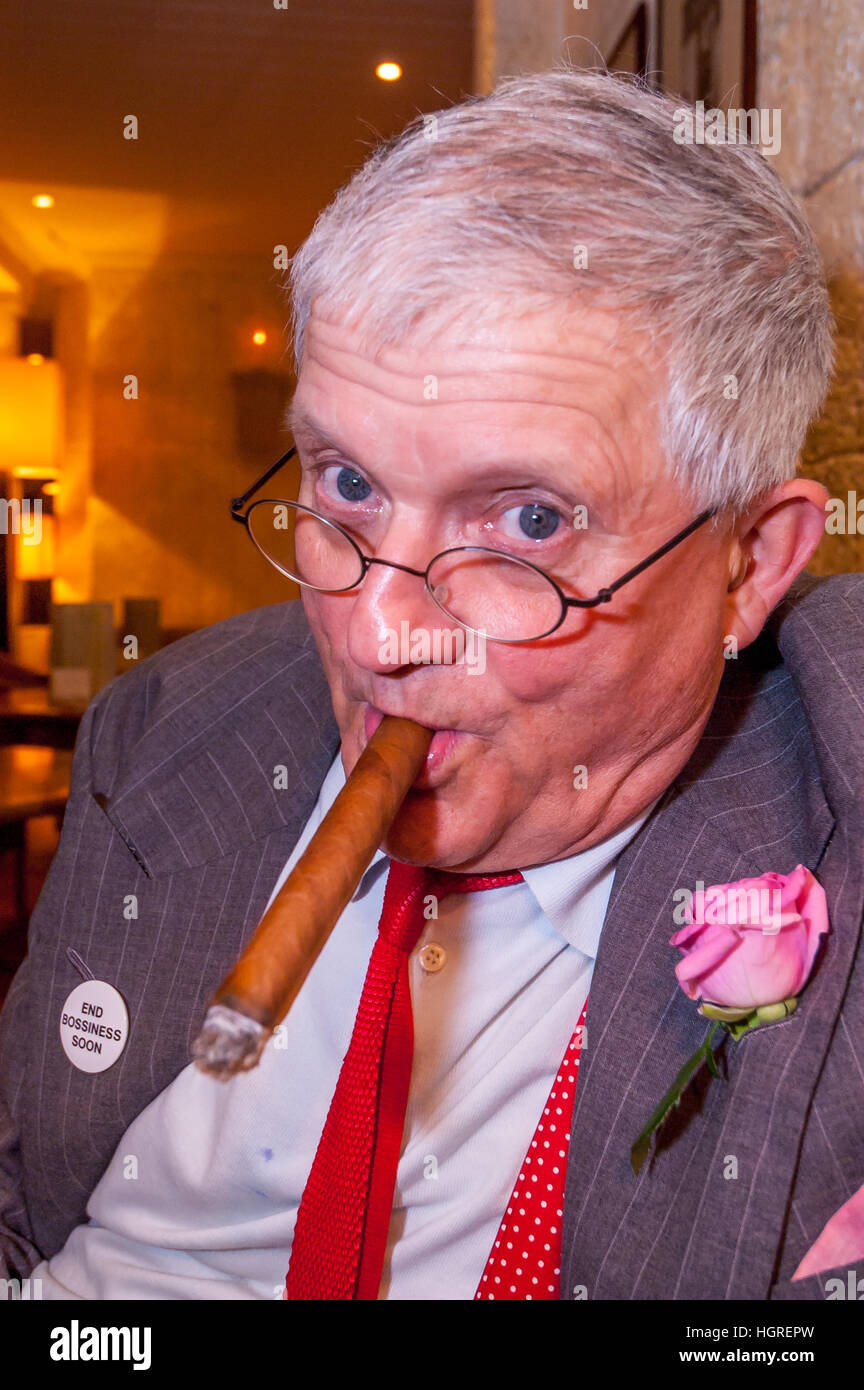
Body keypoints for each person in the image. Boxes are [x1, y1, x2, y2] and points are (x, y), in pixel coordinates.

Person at [2, 67, 862, 1302]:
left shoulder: (840, 741)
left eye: (526, 518)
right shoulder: (172, 718)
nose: (378, 628)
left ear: (747, 566)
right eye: (346, 485)